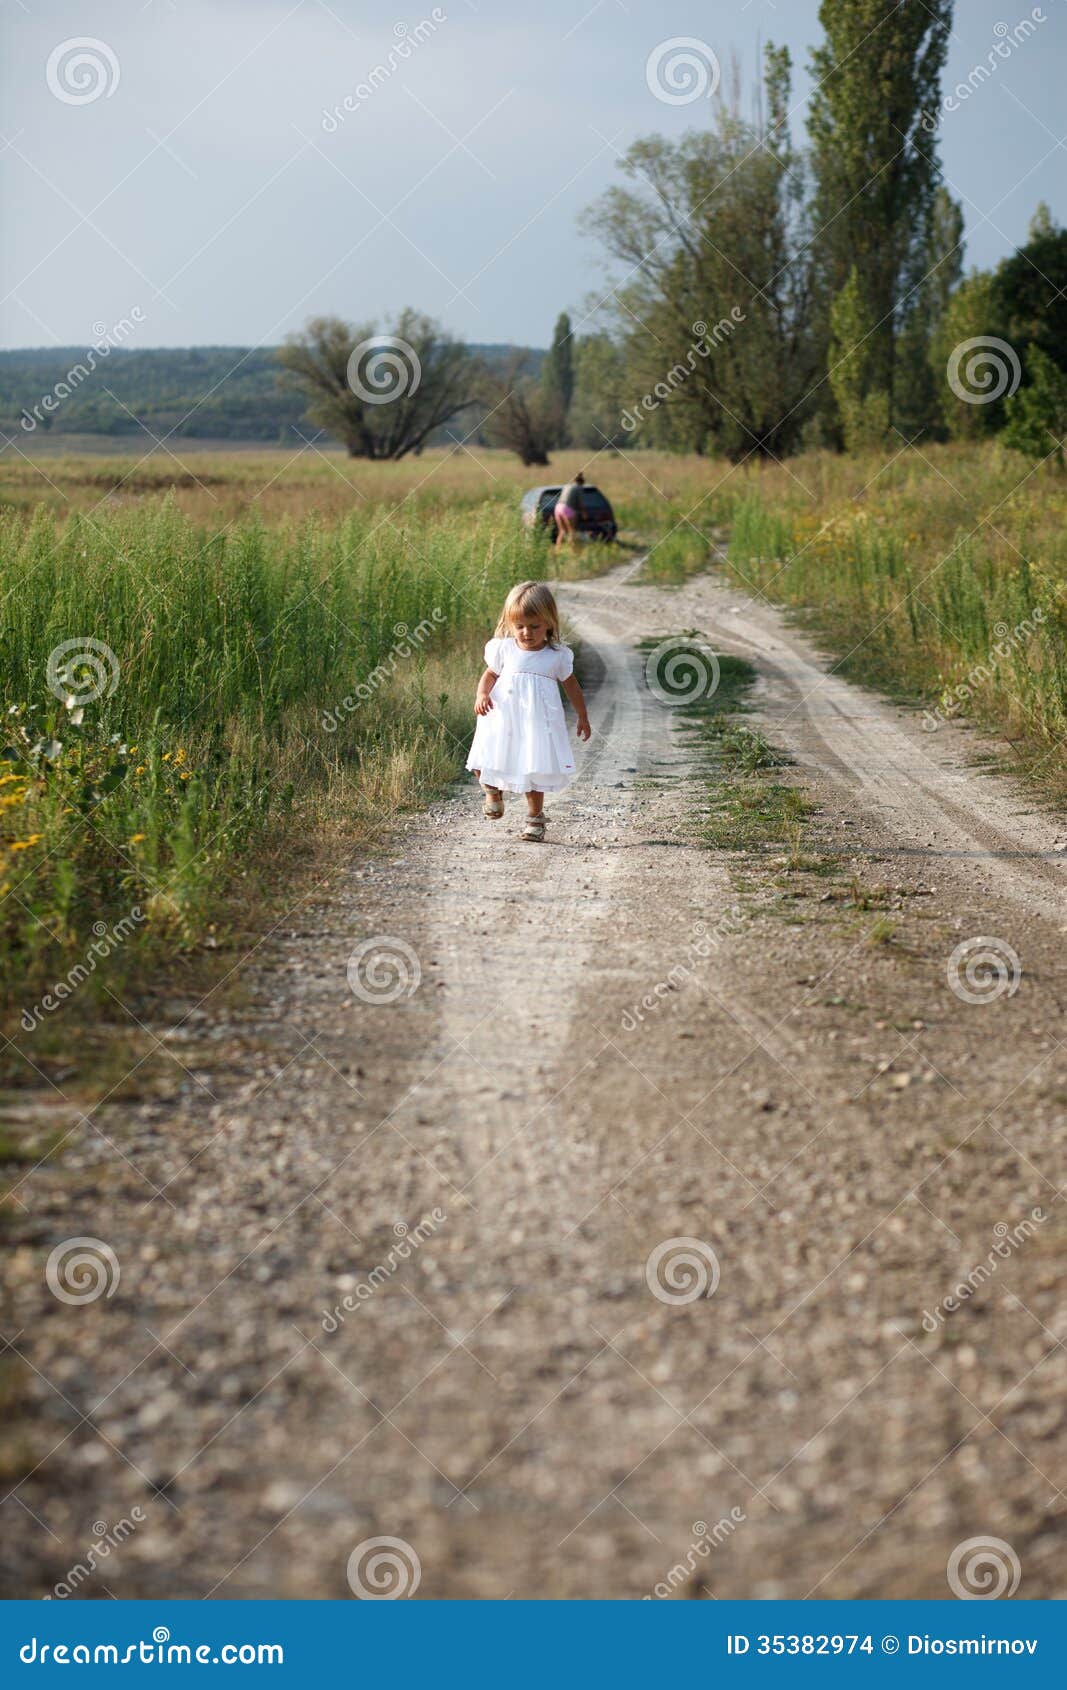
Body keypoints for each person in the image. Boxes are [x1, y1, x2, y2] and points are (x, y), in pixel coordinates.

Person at [466, 580, 591, 842]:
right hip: (502, 718)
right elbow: (490, 675)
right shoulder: (504, 649)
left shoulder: (556, 656)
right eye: (519, 626)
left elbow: (572, 686)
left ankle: (535, 819)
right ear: (510, 624)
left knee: (533, 769)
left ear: (549, 623)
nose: (526, 632)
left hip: (536, 724)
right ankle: (492, 791)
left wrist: (582, 716)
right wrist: (482, 693)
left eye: (534, 626)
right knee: (483, 758)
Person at [553, 472, 585, 547]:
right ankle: (572, 551)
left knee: (562, 531)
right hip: (567, 509)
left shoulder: (567, 486)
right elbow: (580, 502)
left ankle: (557, 550)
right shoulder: (579, 487)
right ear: (581, 482)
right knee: (571, 531)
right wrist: (584, 513)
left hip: (558, 508)